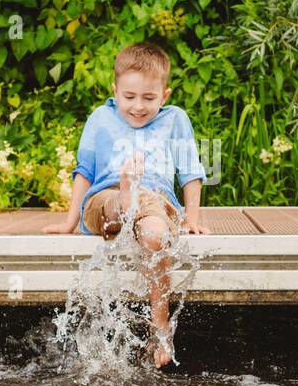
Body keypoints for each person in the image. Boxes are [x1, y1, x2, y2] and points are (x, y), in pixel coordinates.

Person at [43, 42, 211, 366]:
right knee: (114, 205)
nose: (137, 106)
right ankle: (126, 196)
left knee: (155, 237)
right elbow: (85, 172)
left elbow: (191, 171)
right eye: (129, 97)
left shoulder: (175, 119)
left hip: (156, 200)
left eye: (149, 98)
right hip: (104, 200)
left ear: (165, 95)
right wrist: (69, 223)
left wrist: (192, 218)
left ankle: (159, 325)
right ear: (115, 90)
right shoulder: (100, 118)